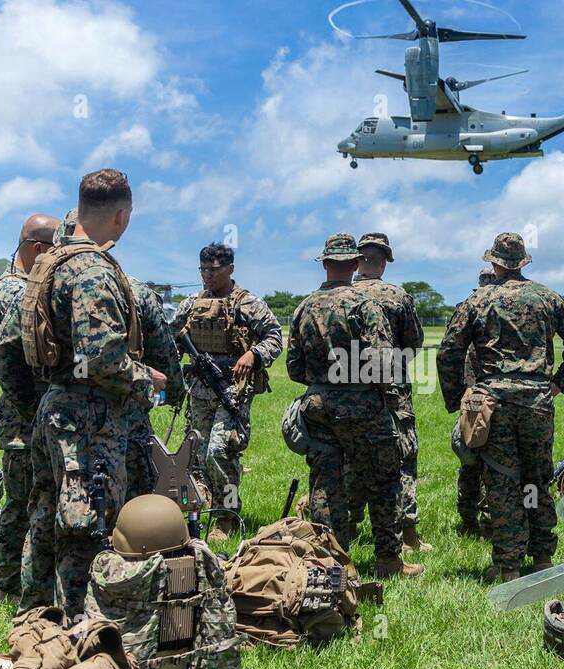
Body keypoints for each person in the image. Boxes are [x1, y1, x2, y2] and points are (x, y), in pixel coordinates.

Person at [18, 170, 168, 616]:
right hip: (89, 417)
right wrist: (148, 380)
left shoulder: (52, 262)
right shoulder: (92, 272)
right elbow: (100, 359)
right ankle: (78, 629)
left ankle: (33, 618)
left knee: (46, 515)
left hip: (55, 407)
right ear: (121, 216)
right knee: (87, 523)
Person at [437, 233, 564, 581]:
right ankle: (541, 558)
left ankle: (507, 565)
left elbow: (449, 350)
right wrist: (560, 383)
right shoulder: (546, 297)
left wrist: (459, 397)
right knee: (536, 480)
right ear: (522, 262)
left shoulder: (477, 301)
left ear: (493, 262)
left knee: (503, 481)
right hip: (537, 402)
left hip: (494, 403)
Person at [287, 233, 420, 576]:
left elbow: (294, 368)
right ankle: (389, 560)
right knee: (383, 480)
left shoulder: (303, 307)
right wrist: (389, 400)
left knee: (326, 483)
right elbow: (384, 360)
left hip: (317, 404)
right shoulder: (365, 305)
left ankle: (332, 560)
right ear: (353, 263)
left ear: (326, 263)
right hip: (362, 404)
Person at [170, 243, 282, 544]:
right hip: (199, 390)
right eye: (203, 269)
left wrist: (254, 355)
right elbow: (171, 340)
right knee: (195, 455)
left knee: (220, 451)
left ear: (231, 268)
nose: (207, 275)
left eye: (214, 269)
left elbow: (274, 336)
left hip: (232, 390)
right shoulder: (191, 304)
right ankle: (198, 511)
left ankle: (227, 515)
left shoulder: (248, 303)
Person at [0, 214, 57, 597]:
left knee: (31, 496)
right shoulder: (12, 290)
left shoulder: (23, 285)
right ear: (40, 249)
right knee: (22, 500)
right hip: (20, 415)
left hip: (29, 410)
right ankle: (6, 579)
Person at [346, 232, 430, 551]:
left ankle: (349, 526)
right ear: (383, 262)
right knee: (402, 455)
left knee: (351, 455)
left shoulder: (342, 293)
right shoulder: (397, 296)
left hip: (348, 387)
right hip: (393, 387)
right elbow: (413, 342)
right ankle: (407, 533)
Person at [124, 275, 184, 499]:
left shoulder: (44, 282)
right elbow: (163, 356)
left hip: (55, 417)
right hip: (125, 415)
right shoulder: (135, 290)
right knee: (139, 498)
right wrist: (174, 393)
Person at [455, 266, 495, 536]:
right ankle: (484, 518)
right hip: (490, 398)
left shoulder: (468, 308)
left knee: (471, 462)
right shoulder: (493, 310)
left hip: (471, 398)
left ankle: (469, 517)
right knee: (488, 463)